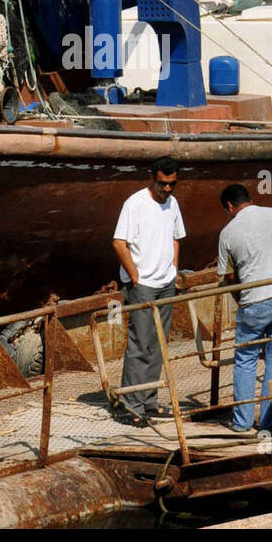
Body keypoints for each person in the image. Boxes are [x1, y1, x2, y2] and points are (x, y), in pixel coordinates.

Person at [217, 183, 272, 434]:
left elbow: (228, 277)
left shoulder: (228, 232)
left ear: (230, 207)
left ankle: (242, 423)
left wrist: (240, 297)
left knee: (245, 360)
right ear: (250, 200)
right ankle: (268, 424)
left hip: (253, 303)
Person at [112, 156, 186, 424]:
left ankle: (149, 401)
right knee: (140, 344)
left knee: (158, 343)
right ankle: (130, 406)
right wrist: (135, 276)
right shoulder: (135, 204)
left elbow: (176, 238)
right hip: (143, 285)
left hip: (165, 283)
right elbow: (119, 243)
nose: (167, 189)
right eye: (162, 184)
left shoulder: (172, 203)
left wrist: (174, 269)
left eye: (172, 184)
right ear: (152, 178)